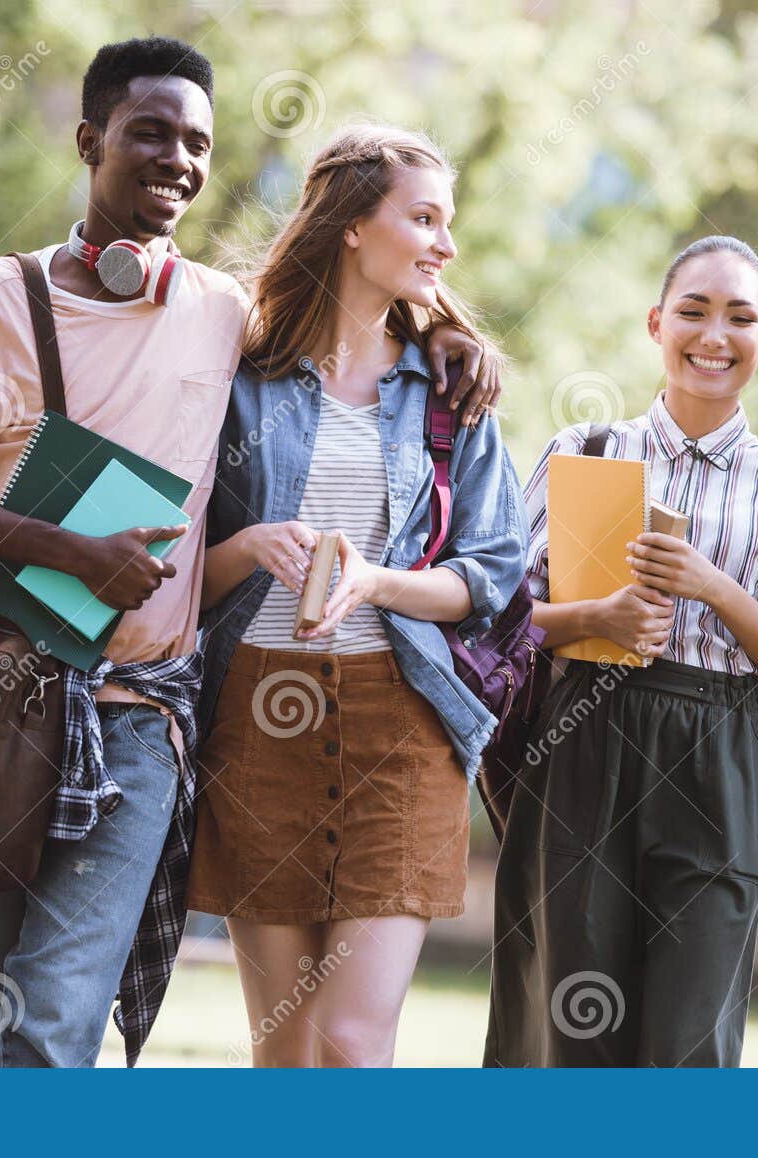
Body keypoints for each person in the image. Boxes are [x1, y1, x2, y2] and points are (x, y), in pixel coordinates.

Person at [0, 39, 496, 1068]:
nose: (178, 159)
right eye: (151, 132)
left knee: (55, 1022)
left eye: (197, 142)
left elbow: (343, 308)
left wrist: (449, 329)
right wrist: (74, 552)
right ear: (90, 140)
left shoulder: (221, 314)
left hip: (142, 717)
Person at [189, 123, 526, 1067]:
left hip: (402, 725)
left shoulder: (450, 390)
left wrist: (377, 582)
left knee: (350, 1035)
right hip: (258, 717)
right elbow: (173, 569)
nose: (445, 245)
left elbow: (494, 579)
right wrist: (248, 547)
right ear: (348, 225)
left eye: (447, 223)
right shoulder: (238, 376)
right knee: (286, 1044)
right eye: (422, 218)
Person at [486, 235, 758, 1066]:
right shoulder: (585, 452)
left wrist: (714, 586)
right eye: (693, 311)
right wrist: (598, 619)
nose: (713, 335)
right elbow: (501, 619)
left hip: (718, 753)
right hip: (581, 738)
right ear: (657, 322)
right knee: (566, 1028)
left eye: (739, 317)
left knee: (691, 1042)